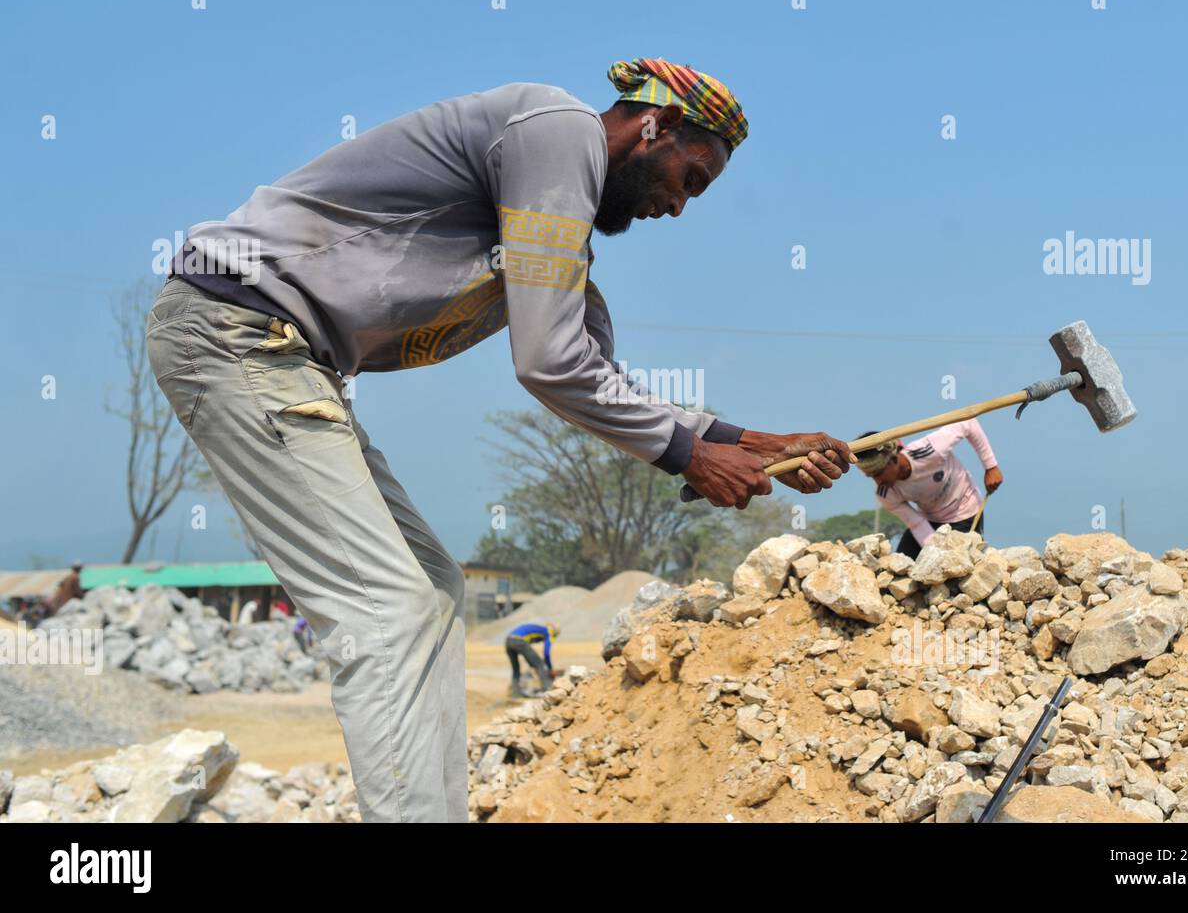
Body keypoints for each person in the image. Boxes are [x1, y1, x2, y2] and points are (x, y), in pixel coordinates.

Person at [147, 58, 856, 822]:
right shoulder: (558, 133)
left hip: (291, 357)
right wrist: (691, 455)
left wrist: (752, 440)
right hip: (237, 331)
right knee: (386, 611)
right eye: (692, 178)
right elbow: (550, 362)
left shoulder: (554, 233)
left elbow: (594, 371)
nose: (680, 206)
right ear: (660, 125)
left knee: (434, 589)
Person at [855, 421, 1003, 558]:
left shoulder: (930, 450)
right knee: (899, 570)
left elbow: (968, 422)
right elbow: (917, 523)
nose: (878, 481)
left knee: (962, 575)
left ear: (894, 459)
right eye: (871, 476)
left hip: (965, 513)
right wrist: (936, 553)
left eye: (879, 473)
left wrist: (991, 466)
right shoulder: (886, 494)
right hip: (930, 520)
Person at [505, 622, 559, 698]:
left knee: (516, 669)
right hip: (519, 640)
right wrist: (550, 669)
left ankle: (515, 694)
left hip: (508, 640)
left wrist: (532, 663)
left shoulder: (539, 629)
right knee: (540, 665)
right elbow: (546, 653)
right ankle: (547, 690)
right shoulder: (549, 633)